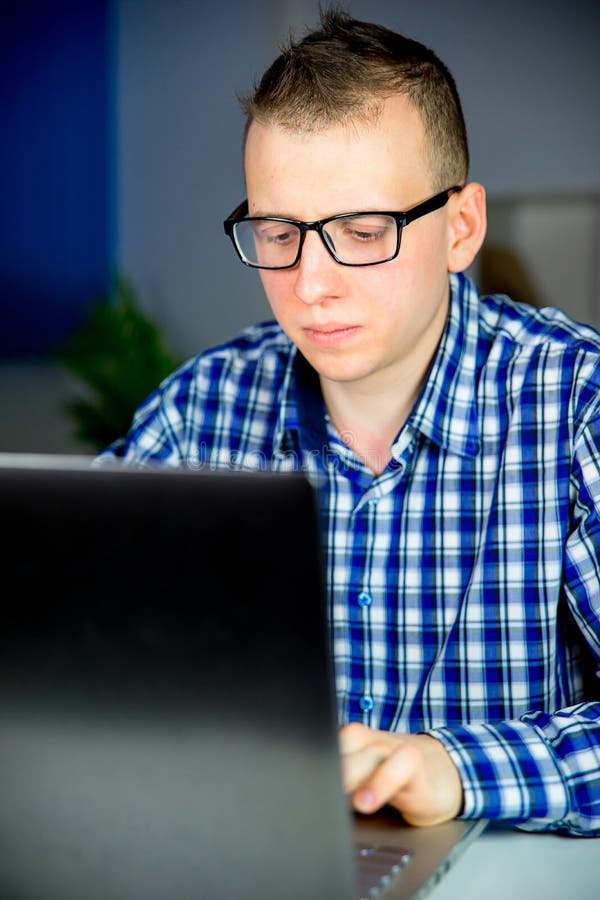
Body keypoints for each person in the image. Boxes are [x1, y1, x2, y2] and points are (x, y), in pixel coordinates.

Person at [99, 9, 600, 836]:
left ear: (461, 227)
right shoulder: (200, 413)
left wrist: (459, 768)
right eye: (278, 233)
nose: (311, 284)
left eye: (363, 232)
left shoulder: (577, 407)